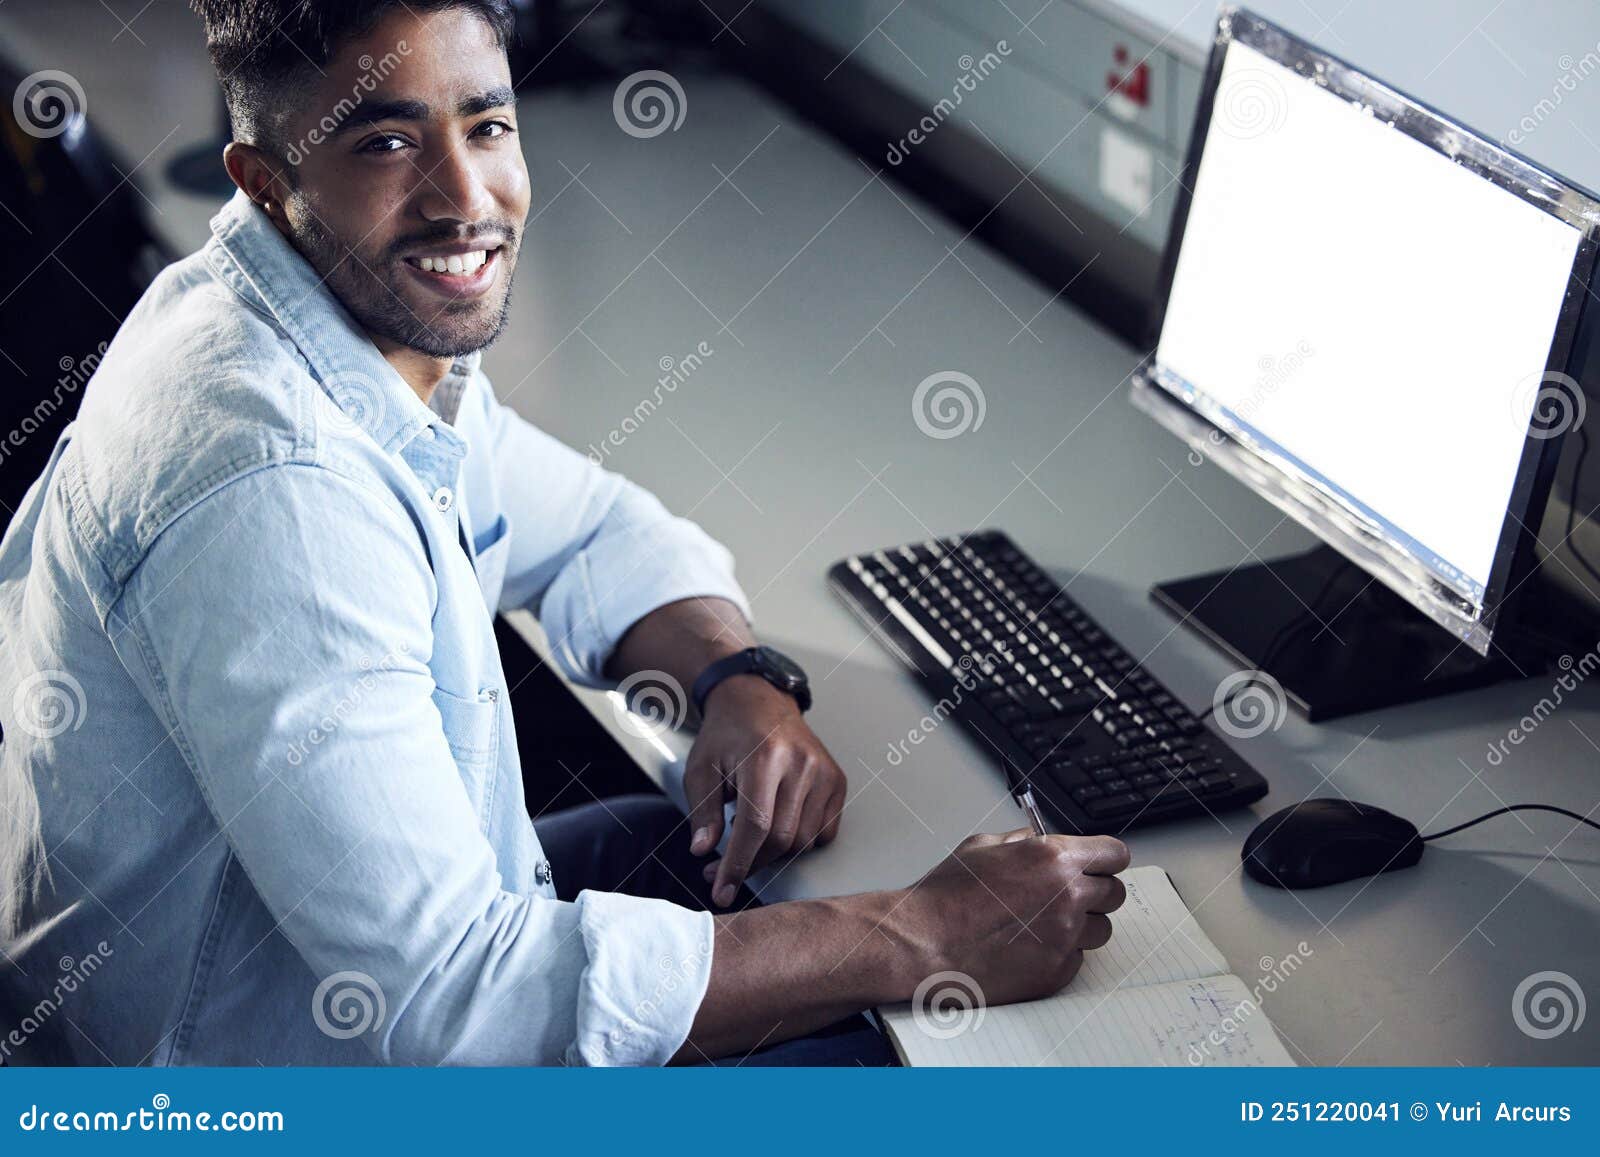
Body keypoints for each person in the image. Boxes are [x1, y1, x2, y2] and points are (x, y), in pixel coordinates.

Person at [0, 0, 1126, 1066]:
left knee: (683, 844)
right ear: (266, 179)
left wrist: (738, 680)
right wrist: (921, 933)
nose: (466, 196)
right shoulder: (272, 486)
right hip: (244, 1072)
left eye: (486, 124)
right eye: (385, 144)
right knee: (950, 1062)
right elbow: (458, 1005)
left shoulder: (323, 325)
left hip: (323, 977)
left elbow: (590, 527)